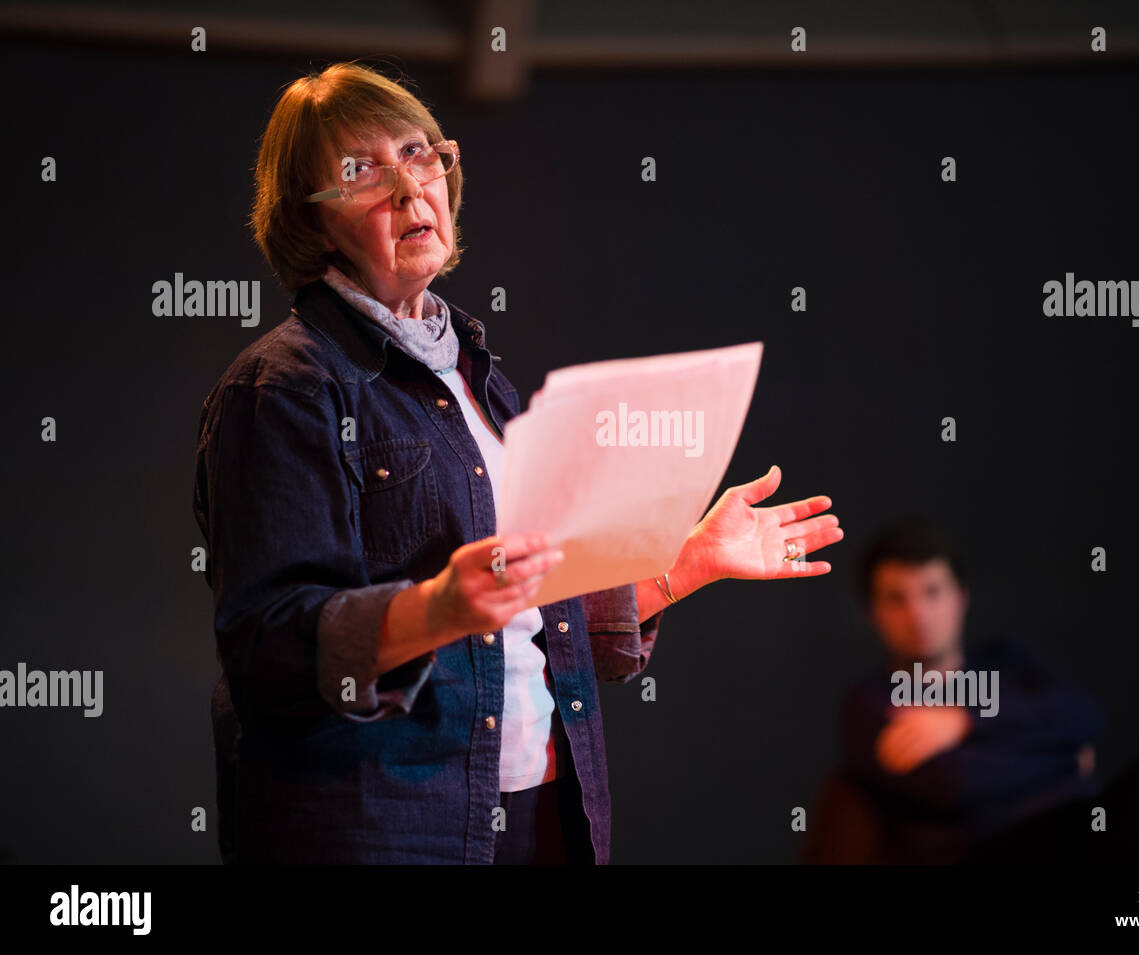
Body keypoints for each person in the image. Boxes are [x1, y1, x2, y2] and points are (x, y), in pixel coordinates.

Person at [192, 61, 842, 864]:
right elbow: (269, 654)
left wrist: (686, 563)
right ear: (311, 220)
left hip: (541, 813)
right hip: (392, 830)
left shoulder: (478, 379)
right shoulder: (284, 388)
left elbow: (537, 619)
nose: (408, 186)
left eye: (418, 153)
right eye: (362, 171)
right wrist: (436, 608)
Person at [802, 518, 1101, 864]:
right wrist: (1067, 757)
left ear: (961, 595)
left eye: (932, 591)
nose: (918, 614)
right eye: (896, 599)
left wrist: (966, 721)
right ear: (873, 613)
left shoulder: (1008, 660)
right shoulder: (870, 703)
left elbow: (1086, 715)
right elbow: (958, 784)